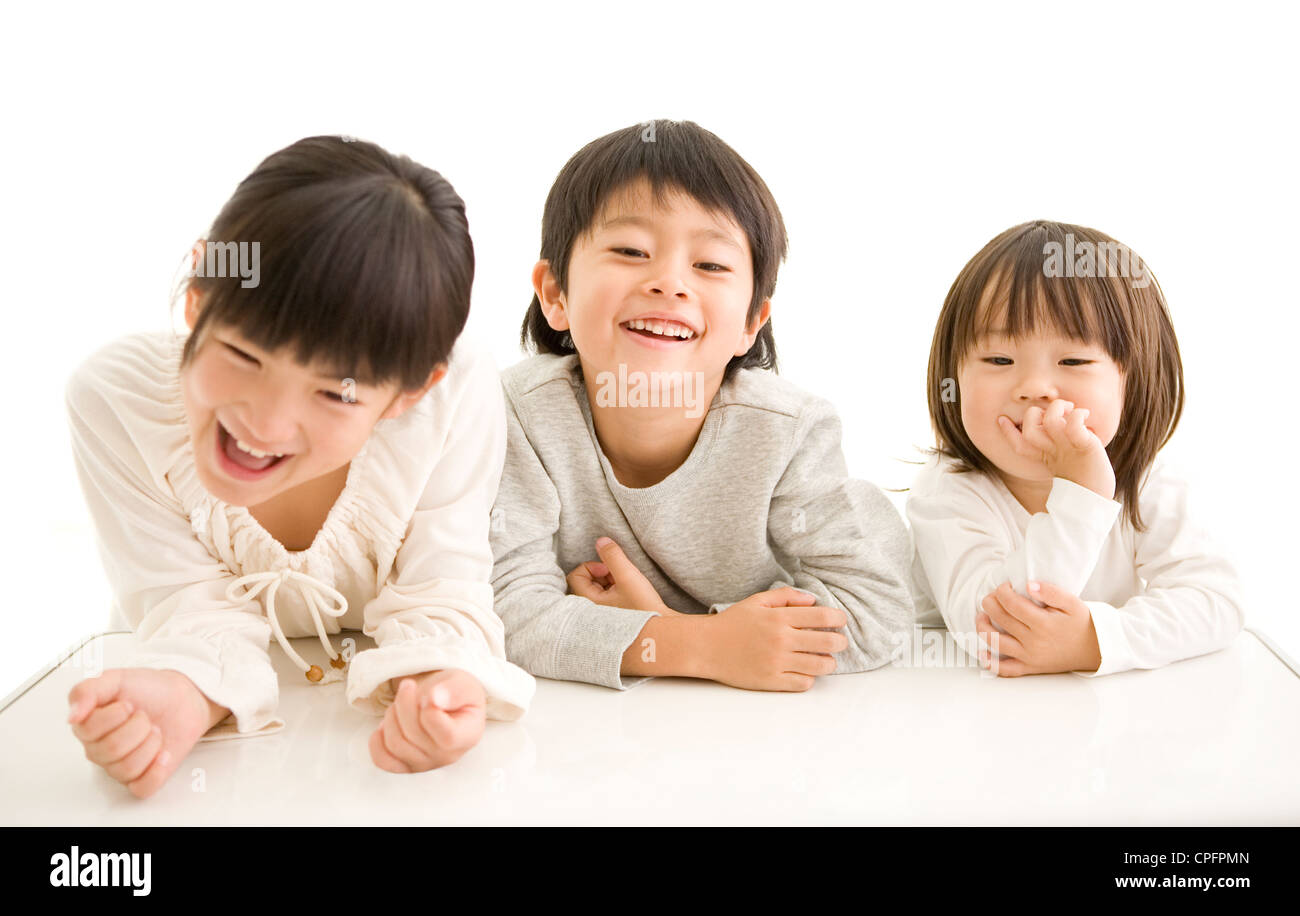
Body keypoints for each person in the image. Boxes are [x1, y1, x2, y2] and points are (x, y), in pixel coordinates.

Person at [65, 135, 534, 798]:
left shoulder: (452, 395)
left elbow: (443, 586)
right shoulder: (118, 401)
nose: (265, 423)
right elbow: (181, 601)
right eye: (244, 355)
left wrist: (441, 684)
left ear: (409, 394)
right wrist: (184, 693)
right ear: (198, 301)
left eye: (336, 391)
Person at [491, 119, 913, 692]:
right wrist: (698, 646)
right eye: (630, 250)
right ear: (555, 294)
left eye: (710, 265)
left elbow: (876, 615)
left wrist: (679, 634)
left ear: (749, 323)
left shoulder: (789, 432)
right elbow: (504, 609)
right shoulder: (515, 413)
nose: (669, 282)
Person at [909, 220, 1244, 676]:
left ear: (1133, 379)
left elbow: (1216, 601)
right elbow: (992, 630)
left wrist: (1095, 641)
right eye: (999, 360)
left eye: (1073, 361)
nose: (1034, 388)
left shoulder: (1147, 481)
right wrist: (1081, 494)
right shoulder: (949, 492)